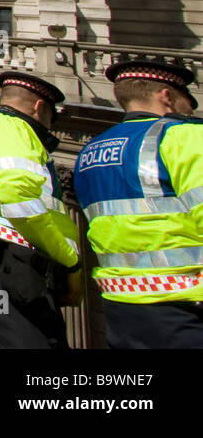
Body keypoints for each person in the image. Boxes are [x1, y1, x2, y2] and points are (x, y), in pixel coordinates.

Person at [73, 60, 202, 348]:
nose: (190, 112)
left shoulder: (90, 152)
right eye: (187, 104)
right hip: (186, 303)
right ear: (167, 96)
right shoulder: (184, 135)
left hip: (121, 306)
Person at [0, 72, 82, 348]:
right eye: (51, 118)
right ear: (39, 107)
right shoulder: (3, 125)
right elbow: (17, 200)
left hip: (15, 261)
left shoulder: (9, 130)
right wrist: (70, 260)